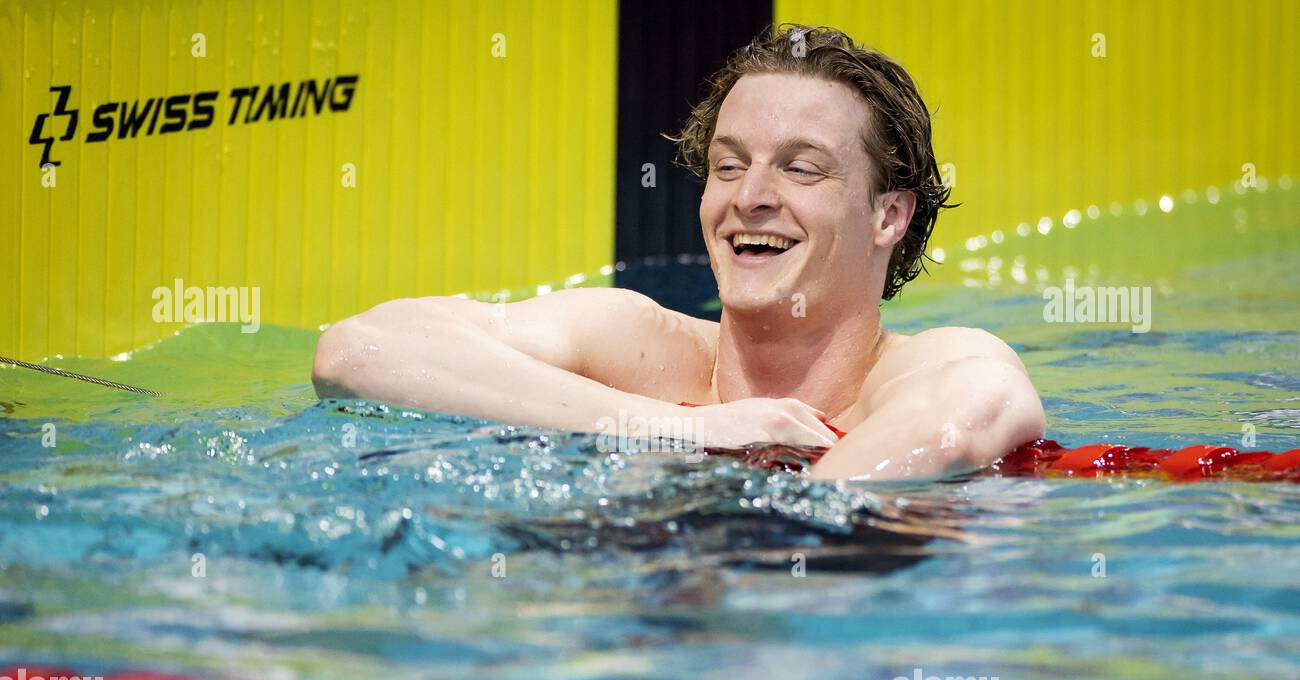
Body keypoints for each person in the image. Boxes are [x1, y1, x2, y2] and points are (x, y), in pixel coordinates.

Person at [312, 23, 1044, 481]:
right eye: (728, 165)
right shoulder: (635, 347)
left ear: (889, 214)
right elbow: (355, 353)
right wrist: (680, 428)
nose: (749, 195)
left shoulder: (929, 367)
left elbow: (957, 424)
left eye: (800, 167)